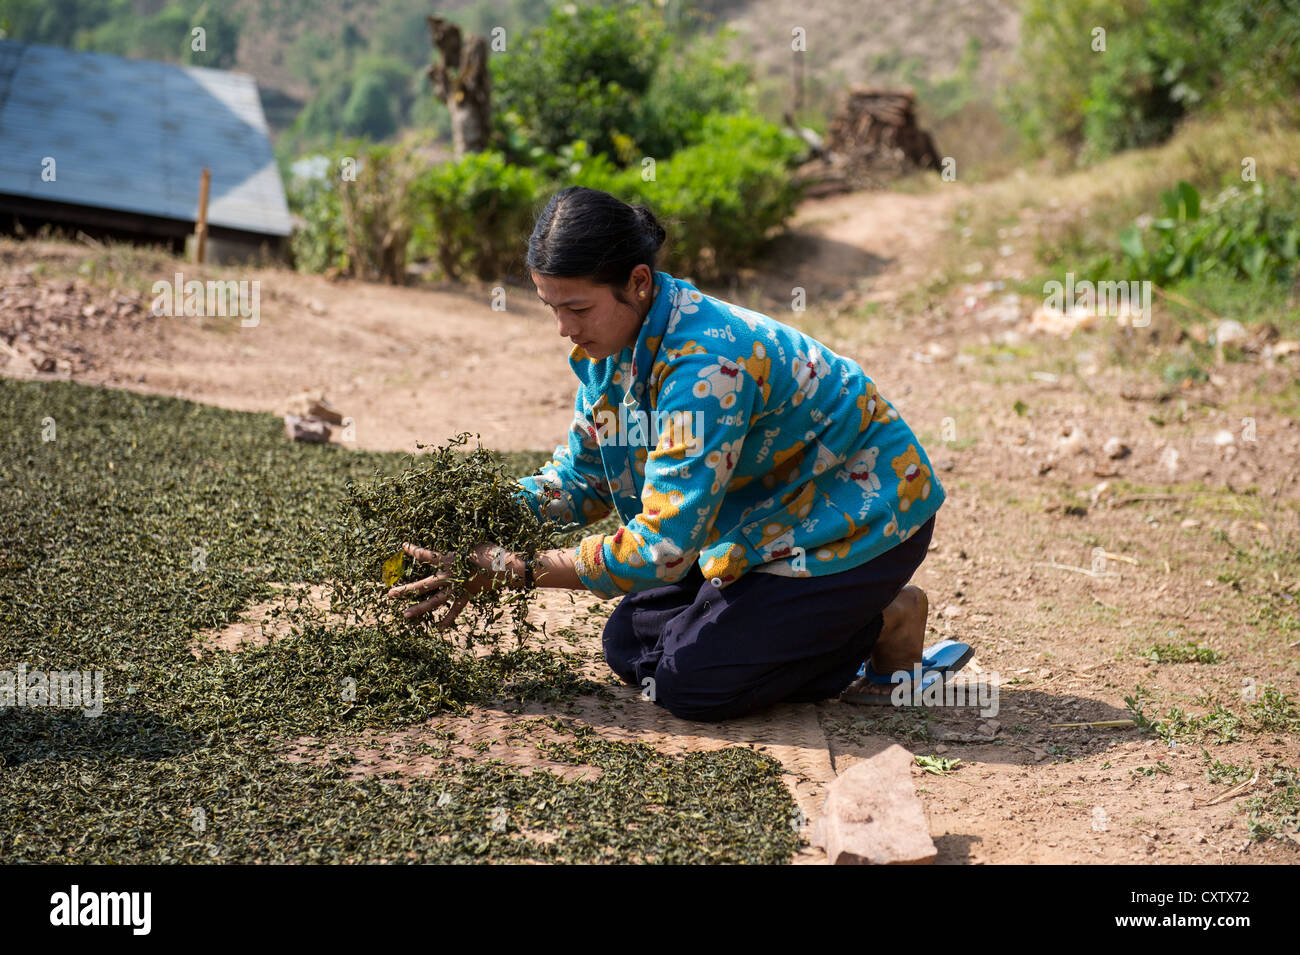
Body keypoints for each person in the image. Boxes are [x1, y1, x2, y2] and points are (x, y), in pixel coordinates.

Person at [388, 186, 969, 721]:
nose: (563, 328)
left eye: (579, 309)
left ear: (638, 282)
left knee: (693, 683)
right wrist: (472, 516)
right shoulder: (608, 353)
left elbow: (663, 549)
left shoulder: (706, 368)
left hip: (856, 519)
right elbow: (580, 481)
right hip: (760, 521)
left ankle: (879, 618)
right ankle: (813, 619)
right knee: (629, 643)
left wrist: (515, 570)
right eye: (552, 307)